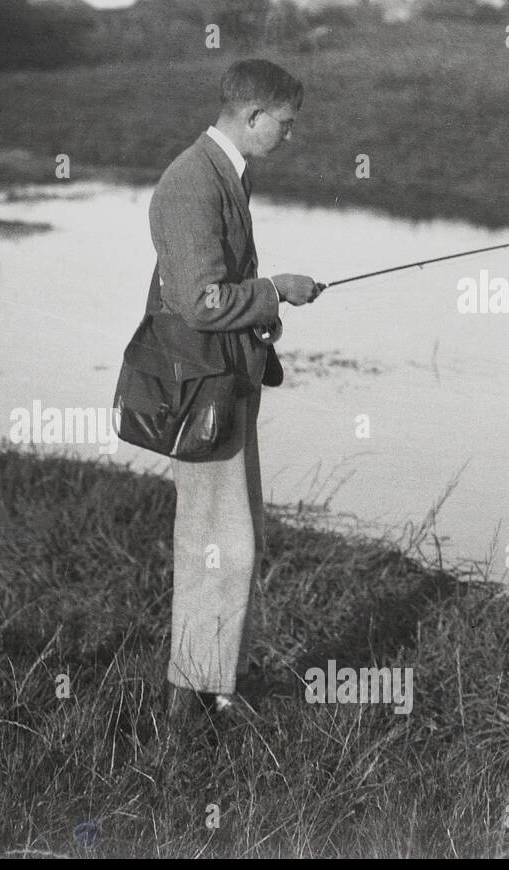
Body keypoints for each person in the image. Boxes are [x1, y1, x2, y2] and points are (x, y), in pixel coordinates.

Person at [136, 59, 322, 733]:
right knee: (217, 544)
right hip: (201, 395)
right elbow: (202, 300)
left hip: (223, 387)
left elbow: (216, 296)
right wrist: (276, 290)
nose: (289, 138)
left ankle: (210, 692)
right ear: (251, 118)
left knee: (231, 539)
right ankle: (189, 712)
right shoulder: (192, 184)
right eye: (285, 125)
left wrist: (261, 311)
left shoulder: (224, 177)